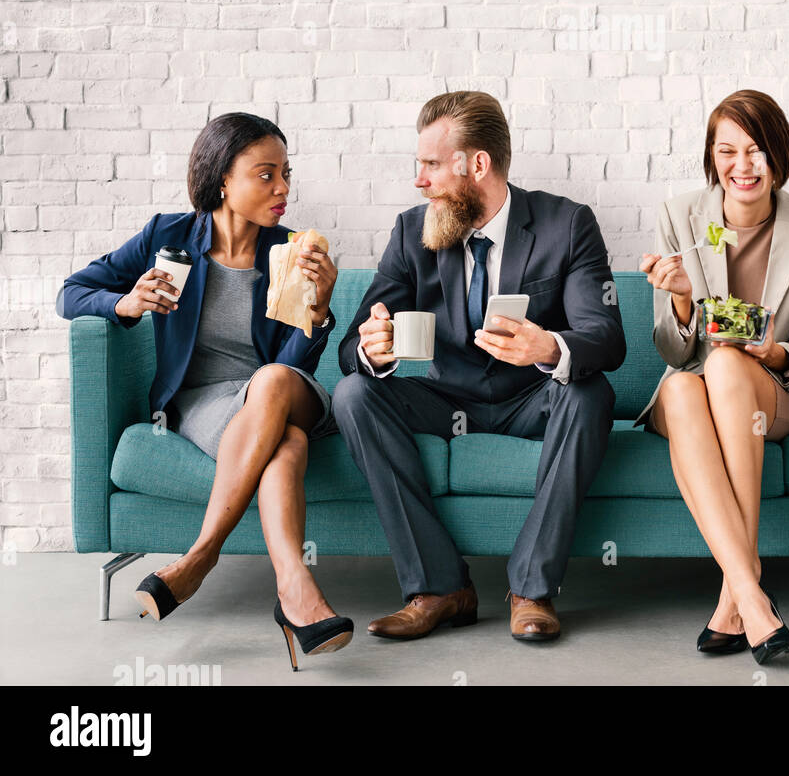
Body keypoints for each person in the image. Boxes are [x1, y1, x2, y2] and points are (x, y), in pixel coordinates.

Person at [57, 113, 353, 670]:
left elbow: (291, 365)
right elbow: (72, 293)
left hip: (290, 388)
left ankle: (200, 556)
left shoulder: (291, 251)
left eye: (286, 174)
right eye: (266, 175)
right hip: (203, 404)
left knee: (272, 385)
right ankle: (297, 595)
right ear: (222, 179)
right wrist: (124, 304)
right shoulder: (166, 237)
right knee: (285, 446)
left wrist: (316, 311)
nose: (283, 189)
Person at [332, 90, 626, 643]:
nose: (419, 180)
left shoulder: (567, 224)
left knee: (591, 393)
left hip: (532, 399)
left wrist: (549, 348)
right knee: (352, 394)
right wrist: (371, 346)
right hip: (445, 399)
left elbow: (606, 338)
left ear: (477, 165)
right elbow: (350, 345)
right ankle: (441, 588)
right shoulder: (411, 230)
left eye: (431, 165)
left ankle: (531, 589)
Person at [638, 90, 789, 664]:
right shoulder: (679, 216)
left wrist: (773, 353)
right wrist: (680, 303)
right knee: (680, 385)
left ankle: (736, 594)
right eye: (728, 151)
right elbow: (673, 353)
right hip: (699, 382)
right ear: (711, 156)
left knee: (727, 361)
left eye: (756, 151)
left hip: (777, 390)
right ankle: (747, 596)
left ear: (778, 156)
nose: (742, 166)